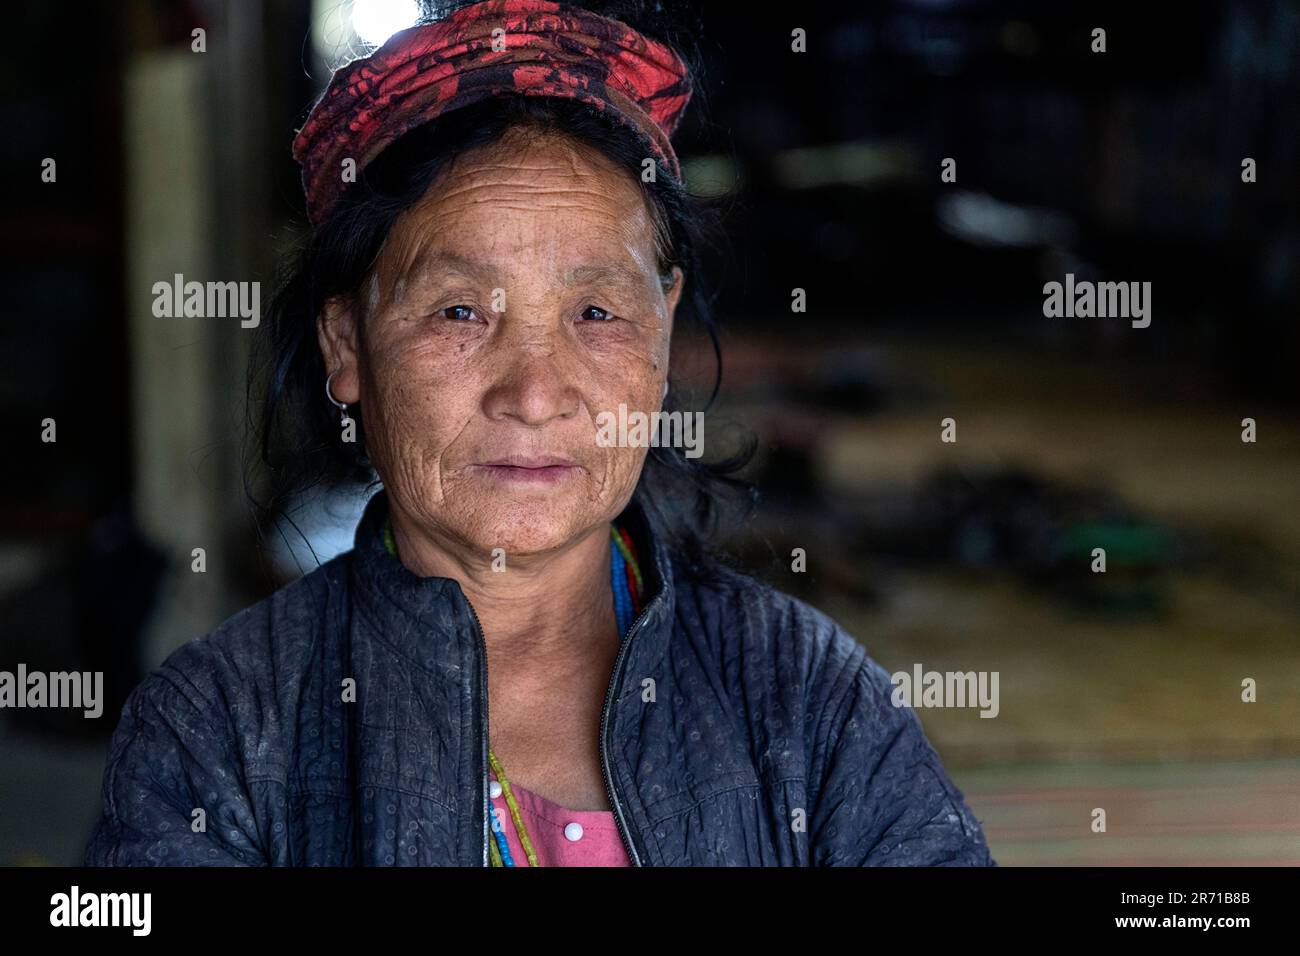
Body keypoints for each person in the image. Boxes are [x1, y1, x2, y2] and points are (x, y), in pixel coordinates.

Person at [85, 0, 995, 866]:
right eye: (458, 311)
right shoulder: (218, 730)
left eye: (597, 311)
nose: (533, 393)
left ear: (662, 335)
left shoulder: (810, 698)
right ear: (347, 344)